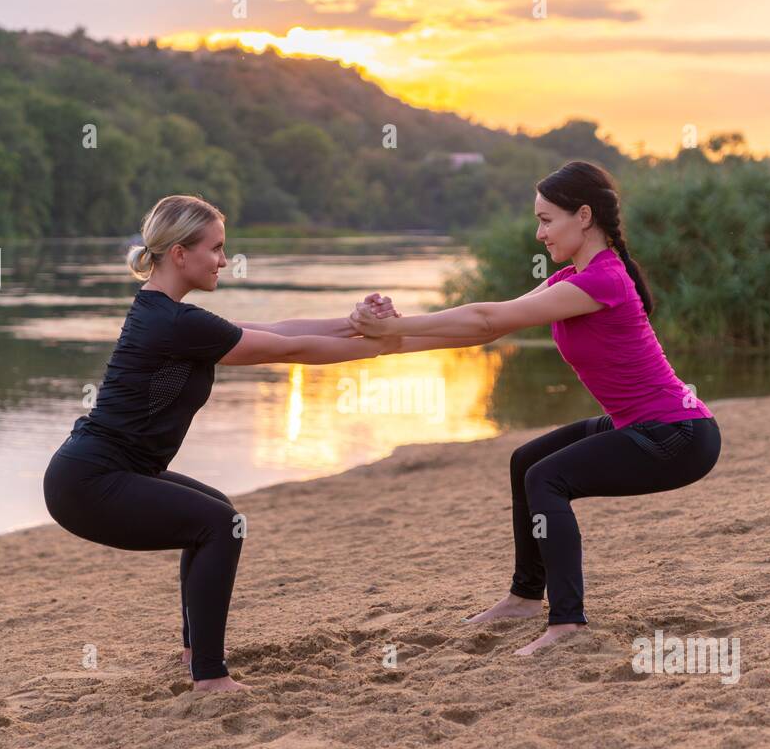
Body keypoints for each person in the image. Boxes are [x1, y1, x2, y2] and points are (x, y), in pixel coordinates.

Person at [43, 194, 468, 691]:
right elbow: (290, 348)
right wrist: (382, 343)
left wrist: (356, 323)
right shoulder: (175, 322)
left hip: (105, 471)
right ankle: (210, 676)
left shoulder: (172, 315)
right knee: (220, 525)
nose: (225, 260)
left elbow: (276, 329)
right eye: (216, 248)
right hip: (91, 481)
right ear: (180, 253)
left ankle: (193, 650)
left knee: (215, 511)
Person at [350, 160, 721, 656]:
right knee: (526, 461)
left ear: (583, 216)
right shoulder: (574, 277)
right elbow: (491, 327)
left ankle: (567, 623)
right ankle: (526, 597)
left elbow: (485, 319)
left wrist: (396, 329)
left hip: (679, 436)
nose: (539, 232)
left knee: (548, 479)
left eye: (547, 219)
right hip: (651, 424)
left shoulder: (602, 281)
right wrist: (392, 340)